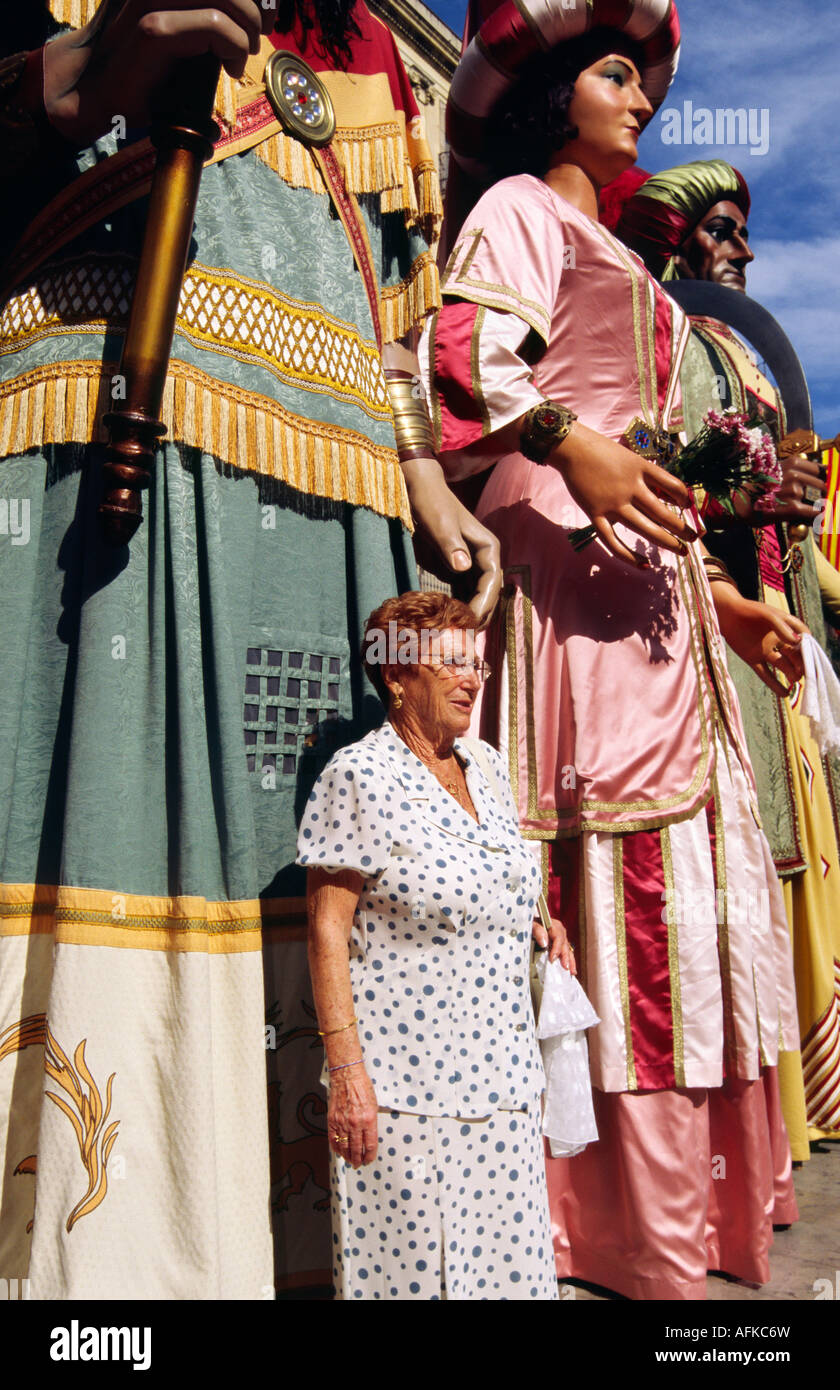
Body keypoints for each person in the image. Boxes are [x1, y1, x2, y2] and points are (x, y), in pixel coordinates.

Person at [0, 0, 501, 1298]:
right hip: (125, 462)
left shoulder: (374, 51)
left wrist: (421, 470)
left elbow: (394, 301)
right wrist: (80, 71)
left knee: (314, 886)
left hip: (338, 519)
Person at [422, 0, 803, 1299]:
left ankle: (677, 1214)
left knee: (686, 885)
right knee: (625, 879)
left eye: (645, 77)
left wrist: (734, 597)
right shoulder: (522, 207)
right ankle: (615, 1221)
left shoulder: (618, 254)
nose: (639, 97)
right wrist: (565, 440)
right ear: (550, 86)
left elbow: (661, 436)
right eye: (614, 70)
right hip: (574, 593)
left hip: (661, 603)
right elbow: (464, 357)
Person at [607, 160, 840, 1159]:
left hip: (782, 623)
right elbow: (641, 461)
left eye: (741, 233)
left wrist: (803, 504)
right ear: (677, 240)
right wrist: (744, 502)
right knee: (745, 852)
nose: (741, 250)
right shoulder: (653, 337)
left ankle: (812, 1097)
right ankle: (750, 1121)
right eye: (724, 230)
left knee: (808, 842)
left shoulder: (739, 354)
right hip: (710, 622)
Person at [297, 589, 578, 1300]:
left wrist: (540, 924)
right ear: (396, 676)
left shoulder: (483, 762)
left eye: (477, 663)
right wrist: (348, 1076)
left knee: (509, 1281)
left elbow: (497, 874)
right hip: (404, 1098)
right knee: (415, 1285)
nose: (472, 677)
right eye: (451, 663)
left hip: (504, 1086)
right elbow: (327, 931)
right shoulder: (358, 776)